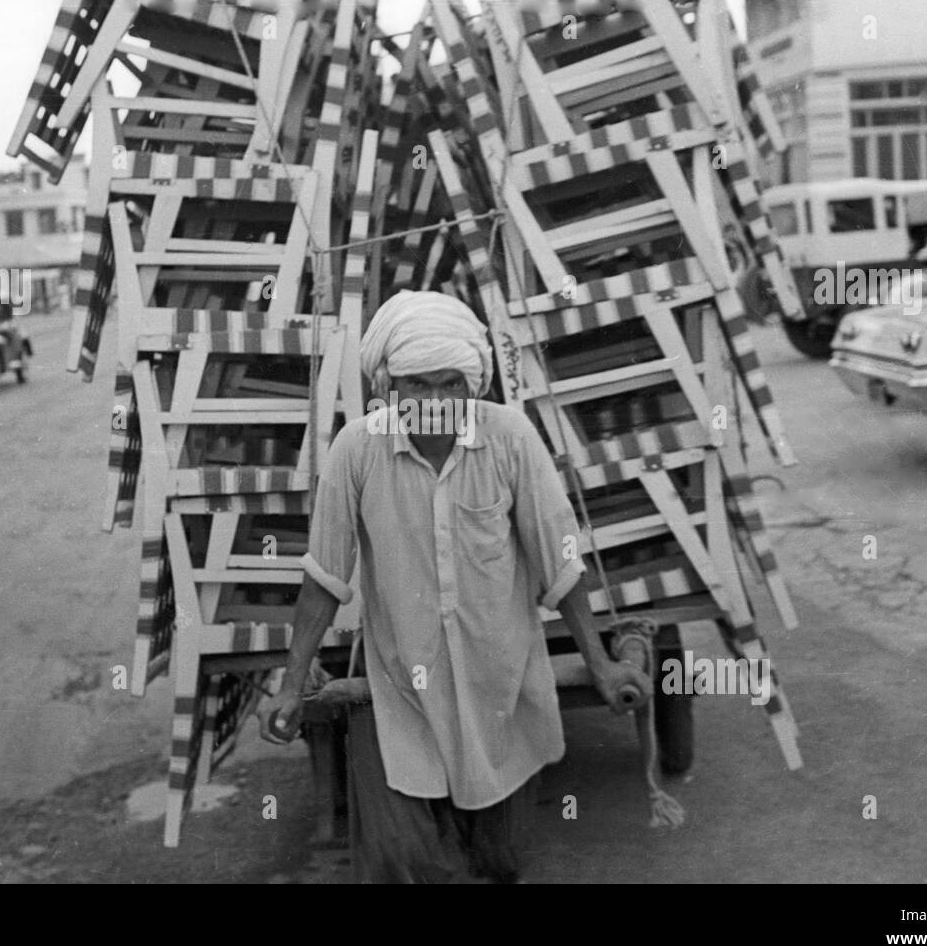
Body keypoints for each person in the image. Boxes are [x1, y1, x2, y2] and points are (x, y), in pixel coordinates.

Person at [259, 289, 648, 883]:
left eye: (450, 384)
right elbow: (324, 577)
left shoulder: (510, 437)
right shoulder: (356, 450)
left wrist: (600, 664)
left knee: (501, 863)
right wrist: (290, 688)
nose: (436, 401)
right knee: (406, 864)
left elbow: (560, 561)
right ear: (387, 387)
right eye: (418, 385)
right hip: (403, 689)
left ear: (474, 386)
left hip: (500, 685)